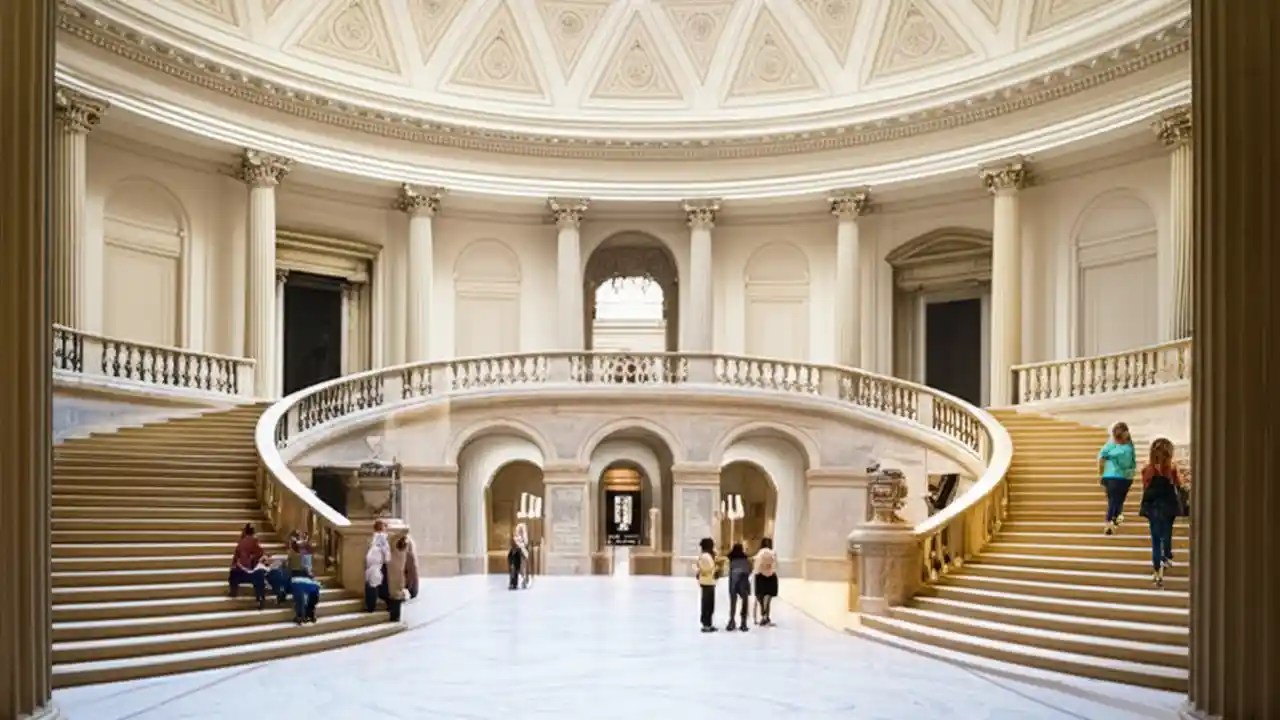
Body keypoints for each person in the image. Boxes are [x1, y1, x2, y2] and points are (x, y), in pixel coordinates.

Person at [1139, 438, 1183, 588]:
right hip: (1168, 506)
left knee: (1155, 539)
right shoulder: (1171, 469)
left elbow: (1145, 486)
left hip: (1152, 507)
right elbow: (1178, 484)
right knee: (1167, 533)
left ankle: (1157, 571)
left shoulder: (1147, 469)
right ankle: (1167, 556)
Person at [1097, 422, 1137, 535]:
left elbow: (1101, 458)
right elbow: (1129, 463)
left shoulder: (1113, 445)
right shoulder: (1126, 447)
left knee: (1116, 501)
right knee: (1115, 501)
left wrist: (1100, 473)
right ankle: (1110, 523)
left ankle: (1114, 522)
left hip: (1114, 477)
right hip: (1119, 478)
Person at [229, 523, 267, 610]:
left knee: (233, 572)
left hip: (240, 571)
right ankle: (260, 598)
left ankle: (233, 590)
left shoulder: (241, 542)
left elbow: (235, 559)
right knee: (260, 576)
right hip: (250, 570)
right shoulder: (254, 540)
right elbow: (260, 553)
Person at [364, 520, 391, 613]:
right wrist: (387, 558)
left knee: (371, 585)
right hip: (378, 563)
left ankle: (370, 605)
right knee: (379, 586)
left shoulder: (372, 537)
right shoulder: (382, 538)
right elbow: (386, 552)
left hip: (371, 564)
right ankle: (380, 605)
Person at [693, 537, 719, 633]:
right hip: (707, 582)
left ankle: (708, 623)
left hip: (708, 582)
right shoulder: (705, 556)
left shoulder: (707, 555)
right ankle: (706, 624)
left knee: (709, 604)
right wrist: (716, 568)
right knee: (707, 604)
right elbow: (708, 568)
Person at [725, 542, 751, 632]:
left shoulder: (731, 559)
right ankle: (743, 623)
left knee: (733, 602)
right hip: (743, 582)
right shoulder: (745, 559)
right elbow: (749, 571)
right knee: (745, 602)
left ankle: (731, 621)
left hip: (733, 581)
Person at [753, 537, 779, 626]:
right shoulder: (773, 553)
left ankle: (763, 615)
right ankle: (766, 616)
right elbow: (776, 565)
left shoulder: (759, 553)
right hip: (771, 577)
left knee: (761, 597)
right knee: (768, 599)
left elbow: (756, 566)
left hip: (760, 577)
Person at [387, 535, 410, 622]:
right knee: (396, 596)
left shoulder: (395, 553)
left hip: (394, 582)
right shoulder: (402, 553)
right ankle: (395, 616)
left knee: (395, 596)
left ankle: (395, 616)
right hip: (397, 581)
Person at [513, 522, 531, 589]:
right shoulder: (516, 537)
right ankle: (521, 579)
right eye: (518, 530)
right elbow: (516, 542)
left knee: (523, 566)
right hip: (518, 553)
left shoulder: (524, 537)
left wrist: (522, 546)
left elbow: (525, 543)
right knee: (519, 567)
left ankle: (525, 579)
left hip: (524, 553)